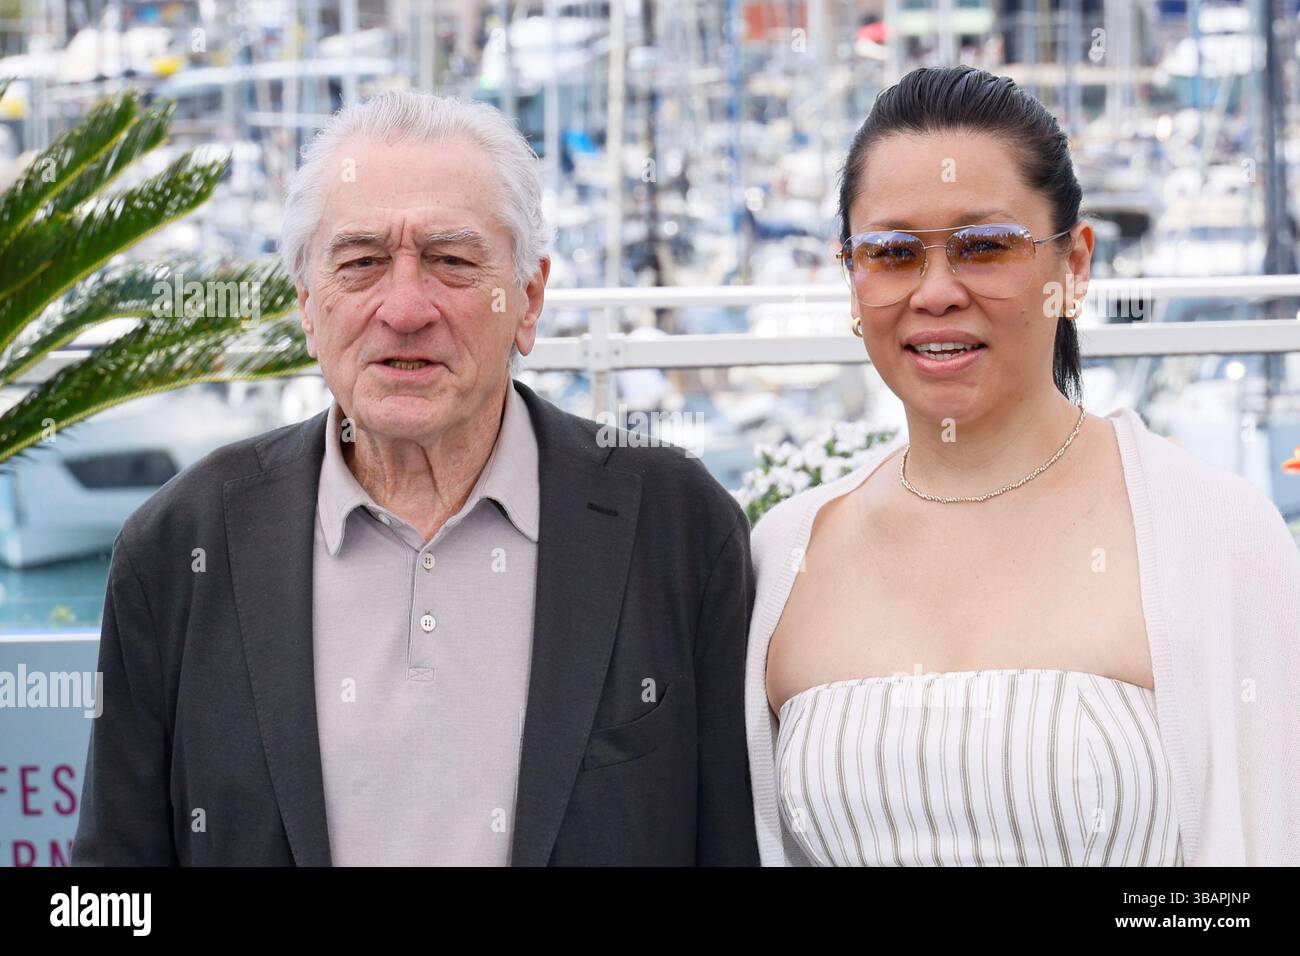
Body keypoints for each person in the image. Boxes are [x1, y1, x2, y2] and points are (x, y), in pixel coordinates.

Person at [73, 90, 759, 866]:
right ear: (307, 303)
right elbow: (112, 882)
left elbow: (730, 840)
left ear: (528, 298)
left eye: (452, 262)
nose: (404, 308)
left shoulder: (676, 525)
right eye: (361, 263)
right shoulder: (178, 547)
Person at [745, 65, 1300, 866]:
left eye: (984, 246)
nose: (935, 292)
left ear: (1073, 266)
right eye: (892, 254)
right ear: (850, 275)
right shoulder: (788, 553)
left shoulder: (1211, 536)